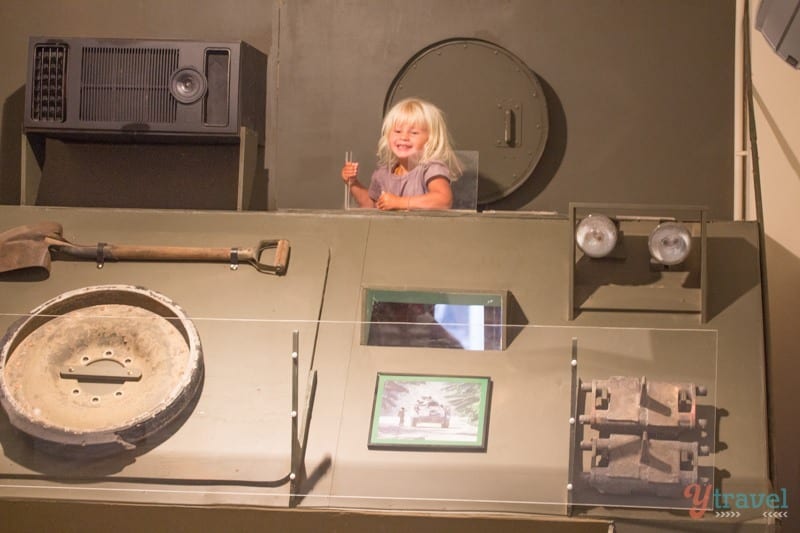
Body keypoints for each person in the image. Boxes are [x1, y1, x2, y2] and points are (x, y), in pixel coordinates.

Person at [341, 98, 461, 210]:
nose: (403, 137)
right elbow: (371, 205)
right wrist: (353, 183)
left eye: (414, 133)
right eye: (397, 131)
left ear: (431, 139)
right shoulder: (383, 173)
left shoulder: (431, 168)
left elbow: (443, 200)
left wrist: (400, 202)